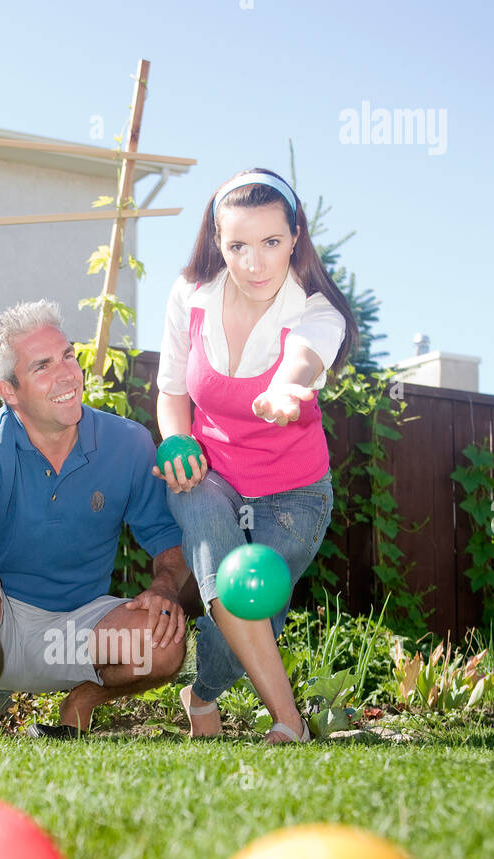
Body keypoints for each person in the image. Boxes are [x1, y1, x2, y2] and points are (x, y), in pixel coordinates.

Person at [0, 300, 188, 738]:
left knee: (164, 642)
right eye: (42, 366)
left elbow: (167, 537)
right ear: (9, 391)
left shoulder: (128, 442)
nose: (67, 375)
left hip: (81, 637)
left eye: (68, 356)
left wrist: (164, 587)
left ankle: (80, 703)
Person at [155, 167, 358, 742]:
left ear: (295, 237)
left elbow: (304, 359)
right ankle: (288, 721)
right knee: (227, 575)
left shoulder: (317, 311)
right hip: (206, 474)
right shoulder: (189, 296)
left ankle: (202, 694)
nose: (254, 262)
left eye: (271, 242)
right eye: (238, 244)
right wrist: (177, 438)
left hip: (293, 492)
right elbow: (172, 391)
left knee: (254, 607)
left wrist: (287, 388)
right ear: (218, 243)